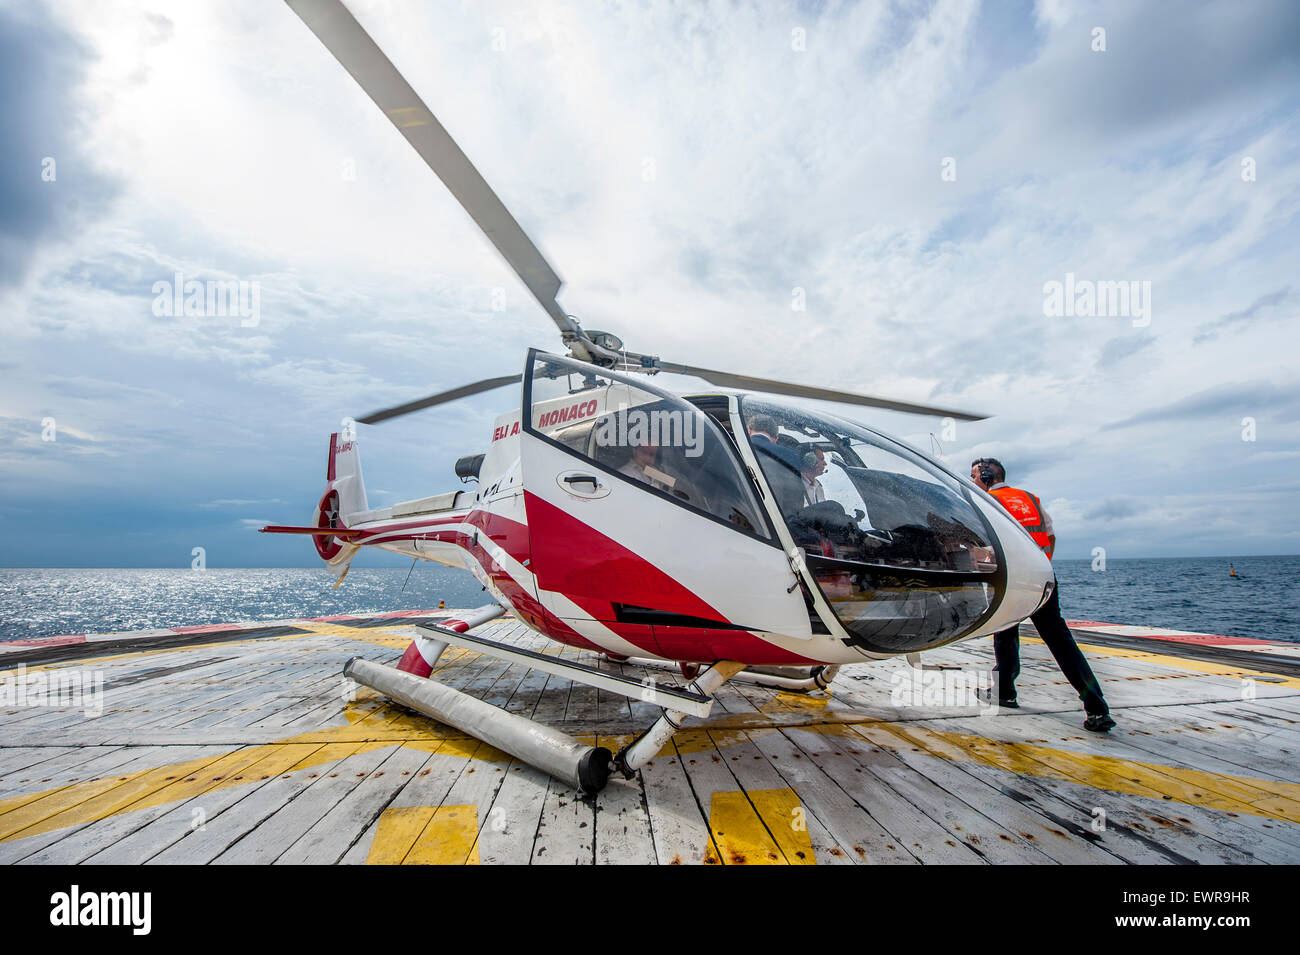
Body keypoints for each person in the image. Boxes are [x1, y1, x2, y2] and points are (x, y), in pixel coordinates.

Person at [970, 457, 1116, 733]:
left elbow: (982, 542)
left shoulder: (988, 500)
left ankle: (1005, 693)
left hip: (1010, 578)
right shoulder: (1030, 498)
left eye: (975, 476)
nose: (972, 481)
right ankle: (1096, 708)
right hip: (1042, 576)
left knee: (1004, 631)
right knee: (1061, 642)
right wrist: (1042, 564)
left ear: (987, 477)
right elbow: (1050, 535)